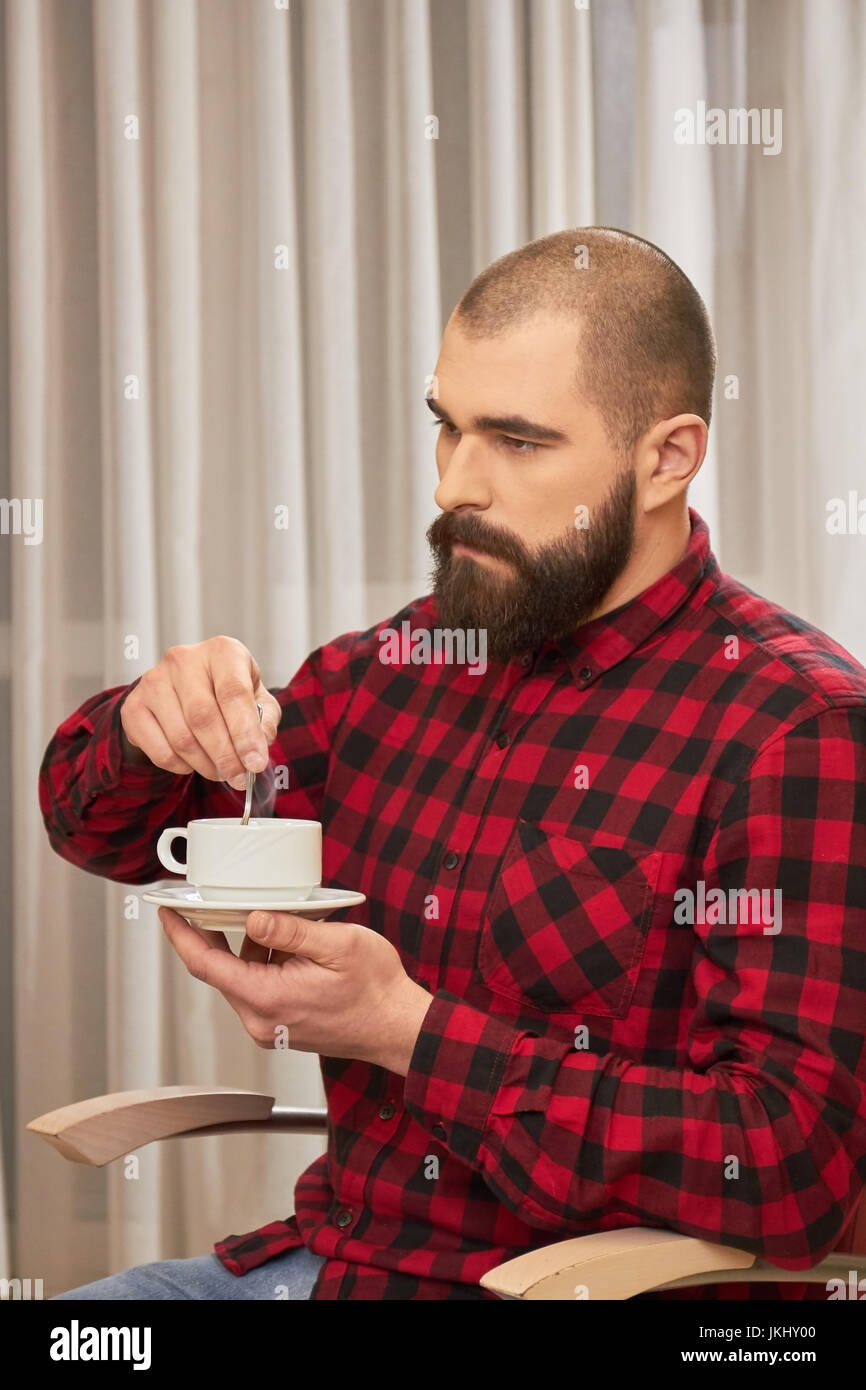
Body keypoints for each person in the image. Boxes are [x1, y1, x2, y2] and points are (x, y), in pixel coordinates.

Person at [41, 227, 866, 1301]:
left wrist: (409, 1034)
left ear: (665, 456)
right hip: (319, 1269)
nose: (453, 488)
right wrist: (146, 726)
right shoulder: (400, 668)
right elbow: (95, 826)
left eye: (518, 442)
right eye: (447, 428)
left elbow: (785, 1164)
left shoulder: (792, 727)